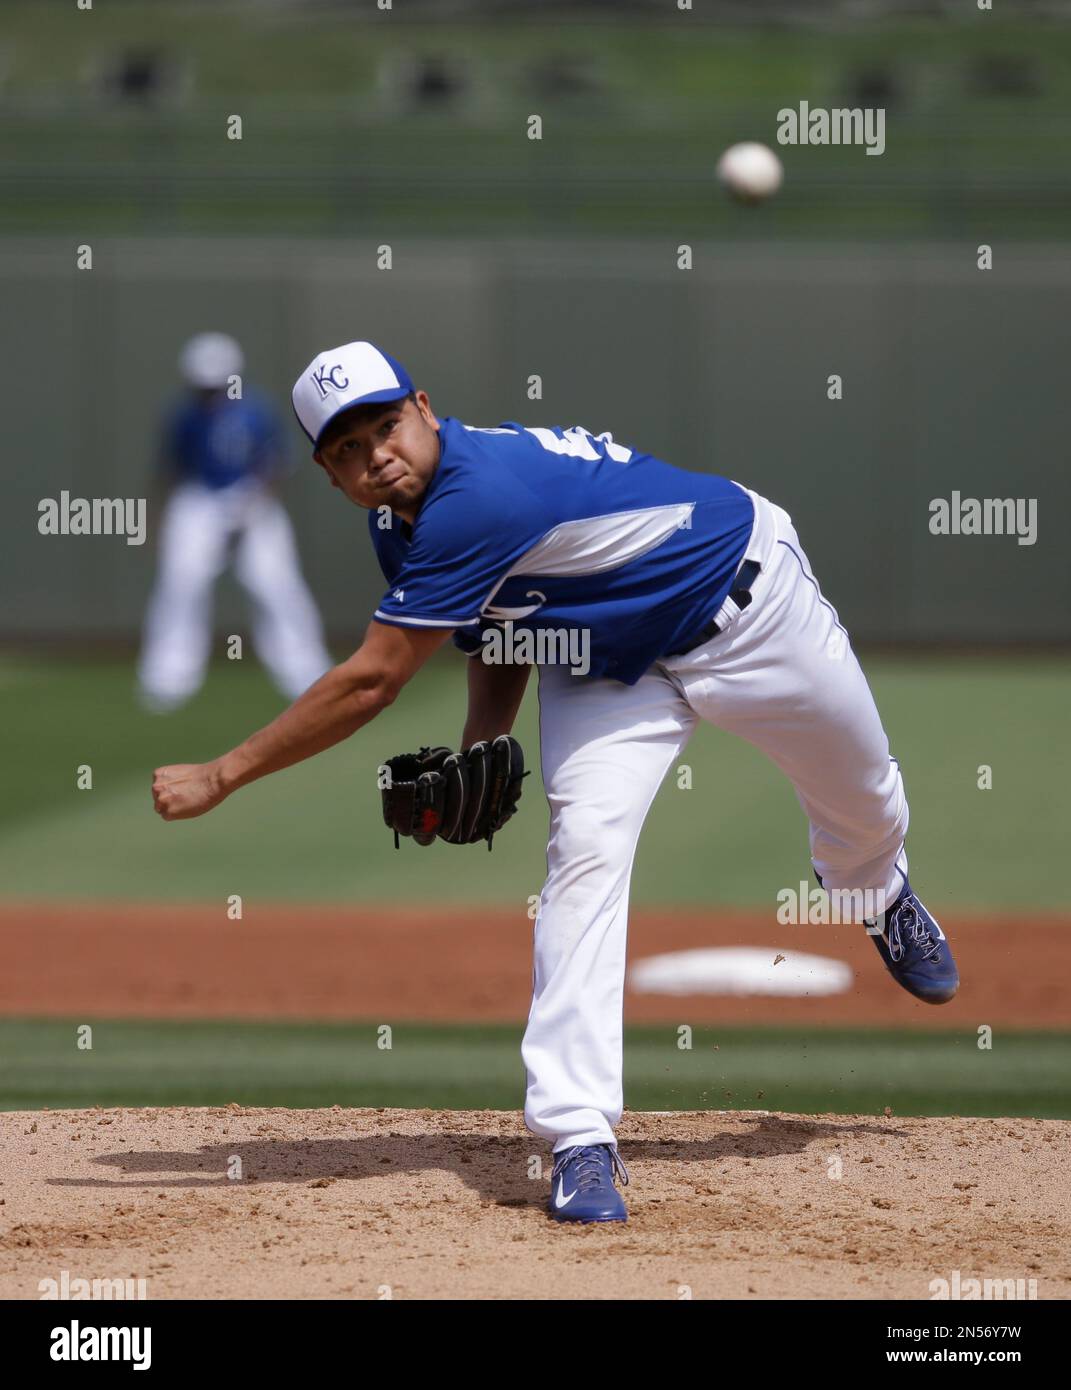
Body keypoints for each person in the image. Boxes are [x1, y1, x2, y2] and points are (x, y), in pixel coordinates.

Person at [151, 339, 960, 1224]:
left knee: (862, 796)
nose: (375, 455)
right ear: (326, 471)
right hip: (606, 664)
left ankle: (874, 890)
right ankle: (579, 1139)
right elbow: (502, 625)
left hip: (746, 606)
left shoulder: (476, 495)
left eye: (385, 427)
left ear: (424, 409)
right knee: (583, 855)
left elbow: (373, 680)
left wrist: (221, 774)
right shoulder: (400, 526)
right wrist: (478, 744)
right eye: (347, 449)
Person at [136, 332, 331, 712]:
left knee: (276, 584)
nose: (209, 394)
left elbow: (277, 464)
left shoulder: (256, 410)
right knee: (180, 584)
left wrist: (254, 504)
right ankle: (168, 676)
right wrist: (158, 523)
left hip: (250, 497)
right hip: (198, 501)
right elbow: (168, 472)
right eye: (203, 387)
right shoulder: (182, 416)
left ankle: (306, 673)